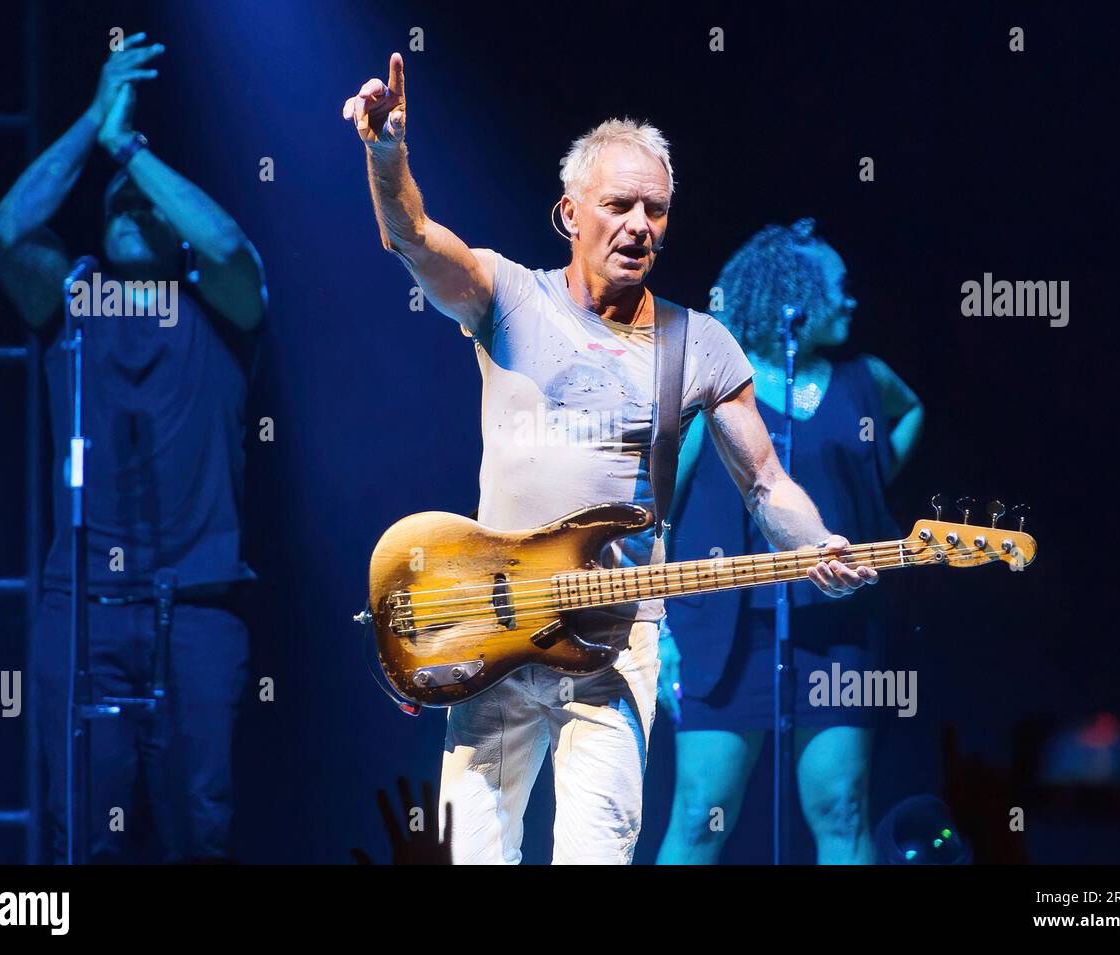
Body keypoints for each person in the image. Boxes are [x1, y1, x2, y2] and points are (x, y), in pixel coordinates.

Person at [345, 54, 877, 864]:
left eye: (655, 210)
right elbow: (412, 236)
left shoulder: (698, 343)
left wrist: (818, 544)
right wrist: (388, 153)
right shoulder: (509, 296)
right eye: (619, 204)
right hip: (491, 633)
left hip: (614, 645)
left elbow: (767, 484)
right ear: (570, 212)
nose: (640, 225)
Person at [0, 33, 266, 862]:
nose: (133, 209)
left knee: (201, 832)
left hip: (197, 610)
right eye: (119, 204)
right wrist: (94, 126)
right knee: (81, 834)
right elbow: (9, 229)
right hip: (84, 611)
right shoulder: (73, 299)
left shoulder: (219, 310)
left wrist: (131, 152)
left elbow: (230, 248)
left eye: (150, 205)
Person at [655, 220, 923, 864]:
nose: (852, 300)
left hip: (837, 624)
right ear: (794, 295)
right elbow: (657, 509)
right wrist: (657, 630)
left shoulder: (865, 378)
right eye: (839, 287)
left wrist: (869, 481)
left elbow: (911, 409)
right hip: (724, 630)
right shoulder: (719, 383)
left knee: (842, 807)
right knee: (700, 814)